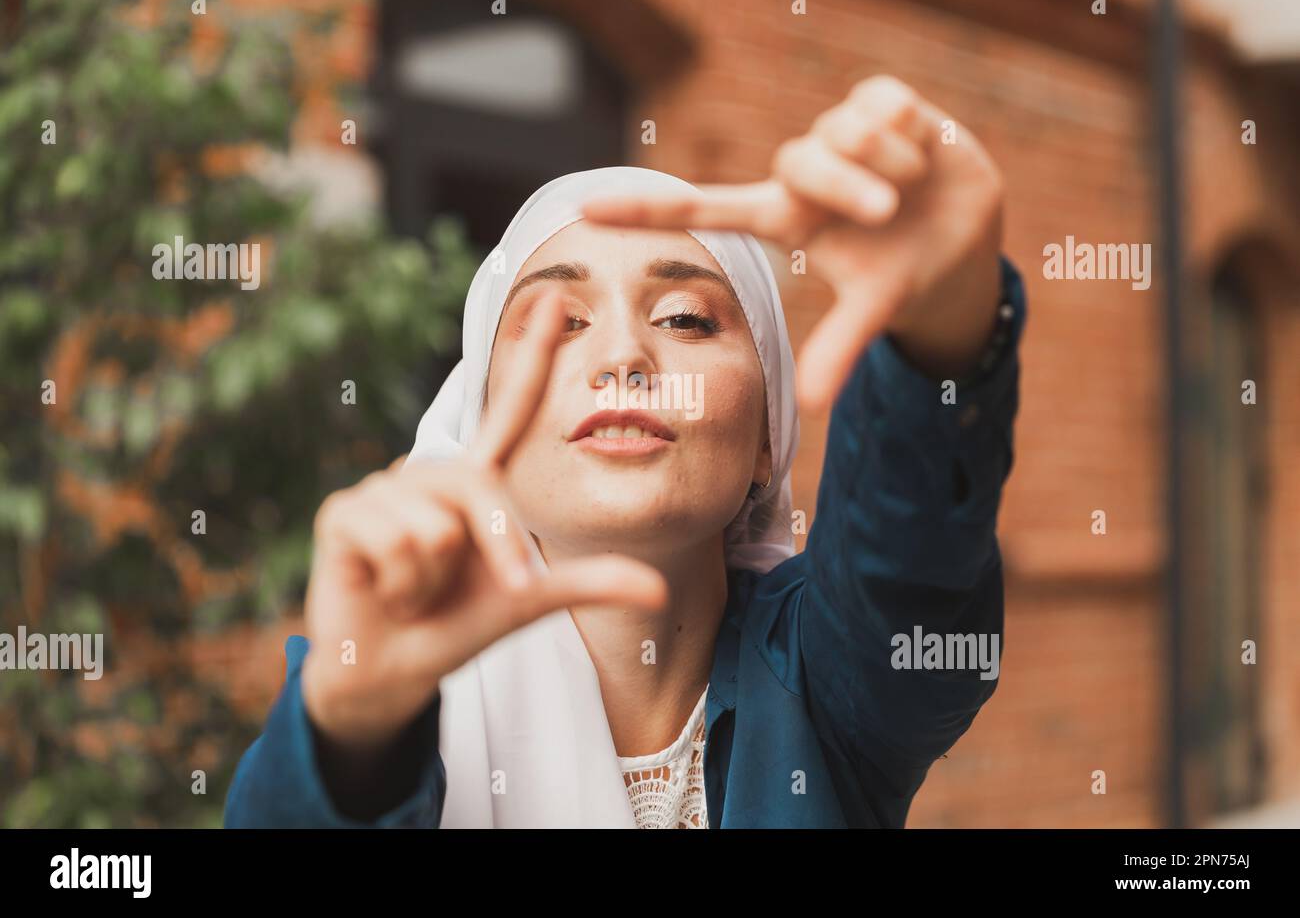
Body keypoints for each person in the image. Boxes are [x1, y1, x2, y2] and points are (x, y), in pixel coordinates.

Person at [224, 75, 1025, 828]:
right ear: (484, 424)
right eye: (556, 325)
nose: (623, 357)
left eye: (684, 317)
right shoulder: (386, 679)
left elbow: (912, 562)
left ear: (765, 440)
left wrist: (944, 323)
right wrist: (355, 729)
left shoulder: (830, 678)